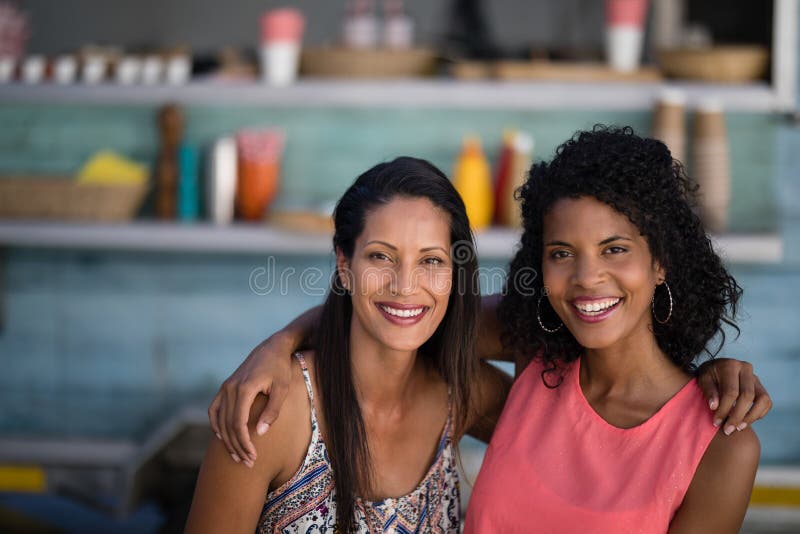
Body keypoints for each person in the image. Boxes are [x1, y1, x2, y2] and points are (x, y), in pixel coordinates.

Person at [185, 157, 510, 533]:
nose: (405, 285)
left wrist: (283, 339)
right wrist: (282, 343)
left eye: (431, 260)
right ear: (344, 264)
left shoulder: (461, 393)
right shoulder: (271, 411)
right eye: (381, 256)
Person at [463, 126, 759, 531]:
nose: (587, 277)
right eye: (562, 253)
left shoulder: (722, 445)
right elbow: (406, 323)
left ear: (660, 262)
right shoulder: (533, 352)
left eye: (614, 249)